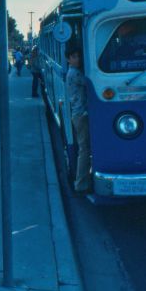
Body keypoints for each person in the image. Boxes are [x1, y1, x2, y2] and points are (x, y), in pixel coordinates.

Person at [66, 46, 91, 193]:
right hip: (80, 115)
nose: (78, 59)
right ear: (68, 59)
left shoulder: (73, 72)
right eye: (74, 56)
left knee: (85, 148)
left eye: (78, 56)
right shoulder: (74, 73)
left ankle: (83, 181)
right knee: (84, 149)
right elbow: (90, 83)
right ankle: (81, 184)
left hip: (79, 114)